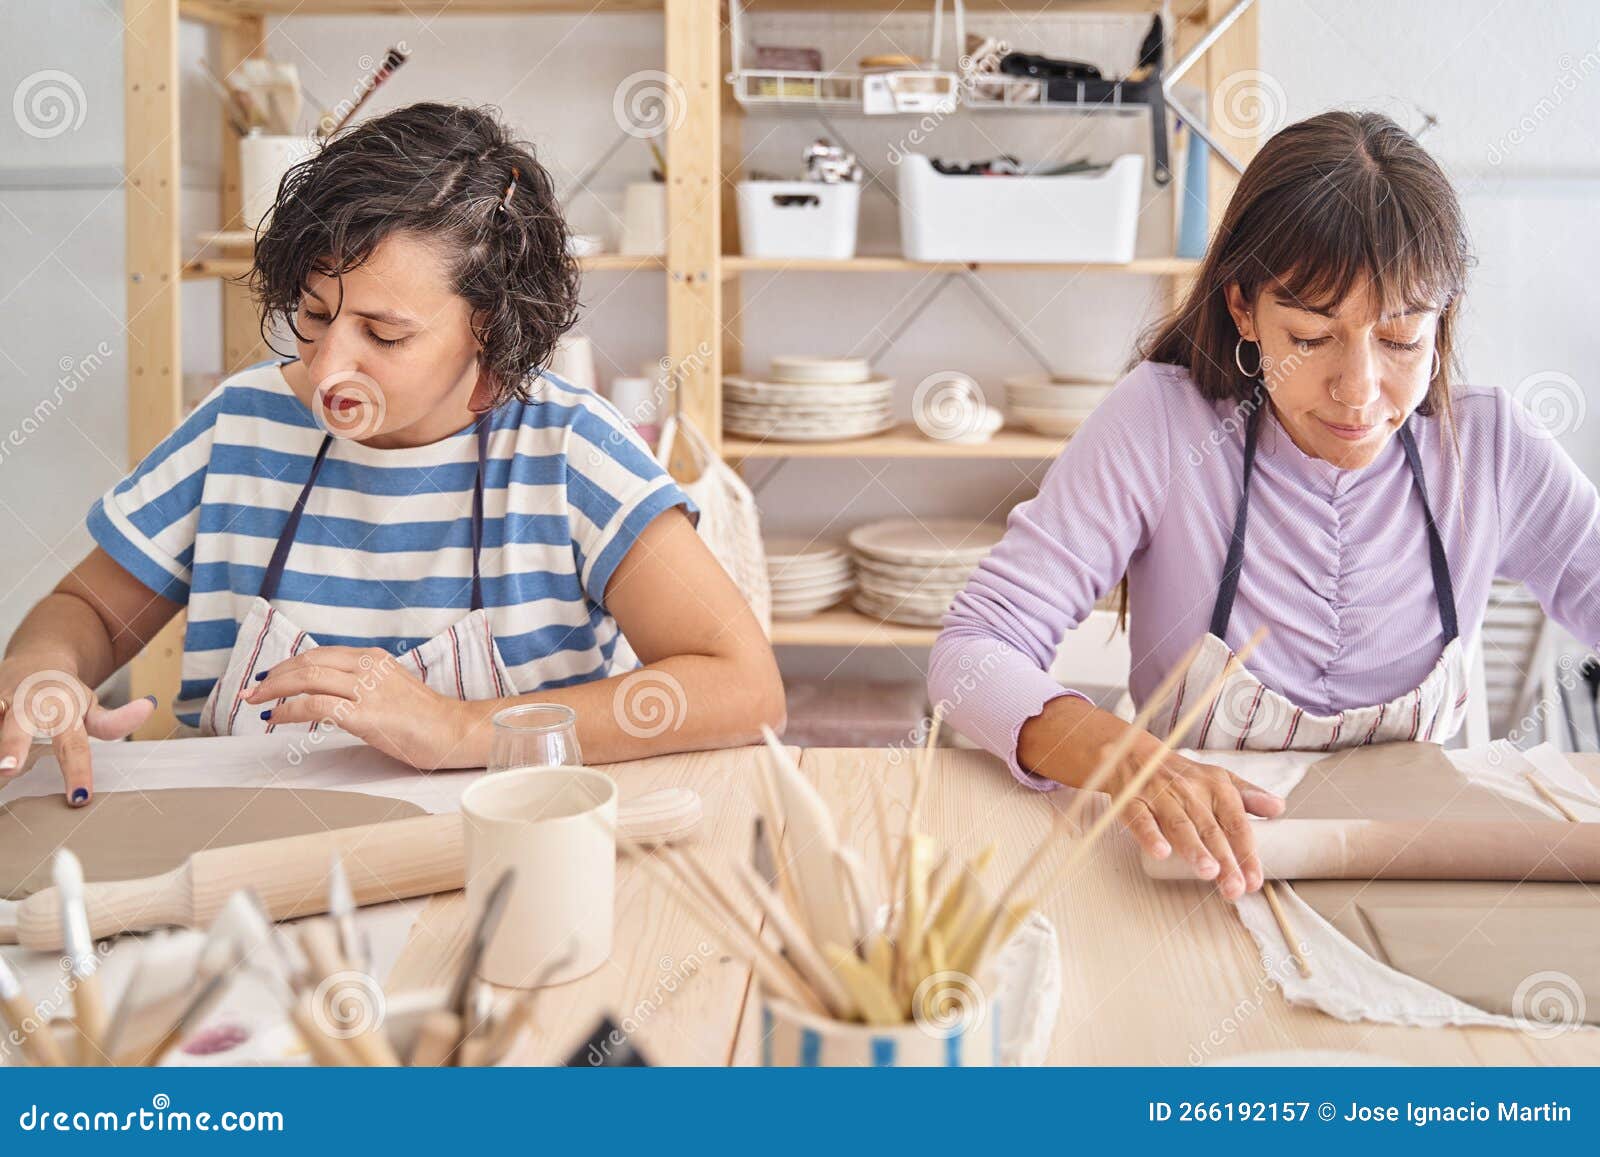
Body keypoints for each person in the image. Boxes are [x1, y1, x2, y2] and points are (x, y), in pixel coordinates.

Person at [0, 102, 783, 804]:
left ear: (494, 346)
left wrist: (464, 730)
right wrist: (44, 672)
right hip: (245, 868)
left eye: (384, 334)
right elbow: (87, 613)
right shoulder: (239, 427)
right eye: (314, 312)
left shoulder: (567, 452)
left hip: (499, 869)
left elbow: (742, 687)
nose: (326, 365)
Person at [929, 110, 1600, 901]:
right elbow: (969, 654)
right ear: (1245, 309)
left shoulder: (1488, 448)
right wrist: (1130, 760)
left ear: (1442, 320)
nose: (1358, 390)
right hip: (1196, 878)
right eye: (1312, 337)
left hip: (1414, 881)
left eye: (1400, 340)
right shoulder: (1161, 425)